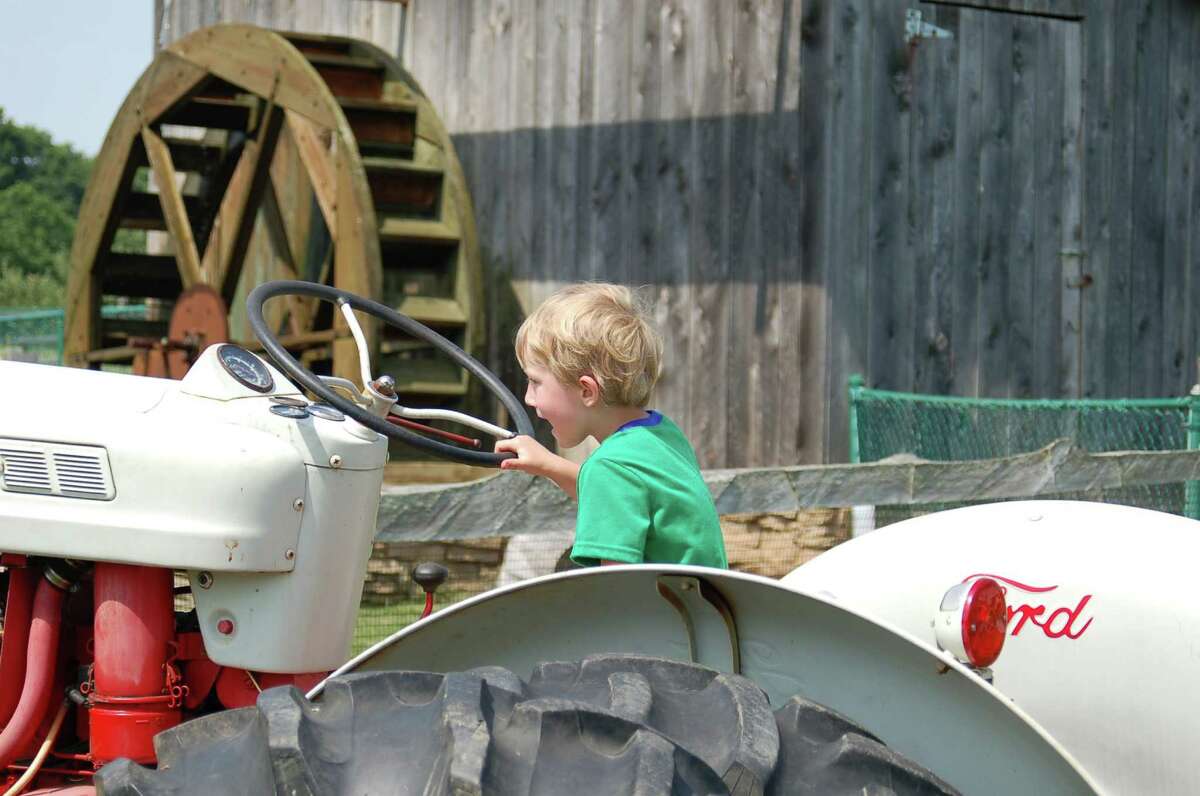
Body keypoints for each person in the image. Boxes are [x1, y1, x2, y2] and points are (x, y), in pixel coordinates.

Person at [494, 283, 728, 568]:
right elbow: (615, 492)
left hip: (660, 611)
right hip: (702, 605)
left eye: (535, 382)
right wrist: (546, 464)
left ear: (586, 391)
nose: (528, 398)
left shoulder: (610, 469)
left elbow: (616, 589)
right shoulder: (660, 434)